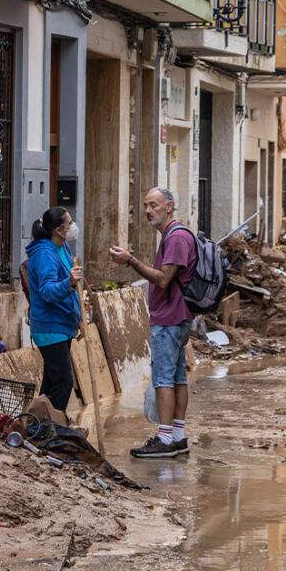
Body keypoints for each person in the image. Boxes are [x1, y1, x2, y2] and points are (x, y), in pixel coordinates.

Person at [109, 187, 196, 458]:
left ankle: (165, 438)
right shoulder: (172, 235)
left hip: (170, 319)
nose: (148, 210)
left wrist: (131, 260)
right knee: (177, 376)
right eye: (146, 205)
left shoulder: (177, 237)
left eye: (154, 205)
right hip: (176, 316)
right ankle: (177, 436)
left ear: (169, 206)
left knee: (164, 379)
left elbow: (163, 278)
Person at [24, 207, 84, 412]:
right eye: (70, 223)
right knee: (63, 383)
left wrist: (77, 318)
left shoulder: (63, 247)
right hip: (50, 327)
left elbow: (69, 291)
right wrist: (69, 282)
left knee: (51, 383)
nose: (73, 226)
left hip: (62, 324)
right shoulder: (44, 254)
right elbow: (47, 291)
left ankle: (39, 424)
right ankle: (52, 425)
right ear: (59, 230)